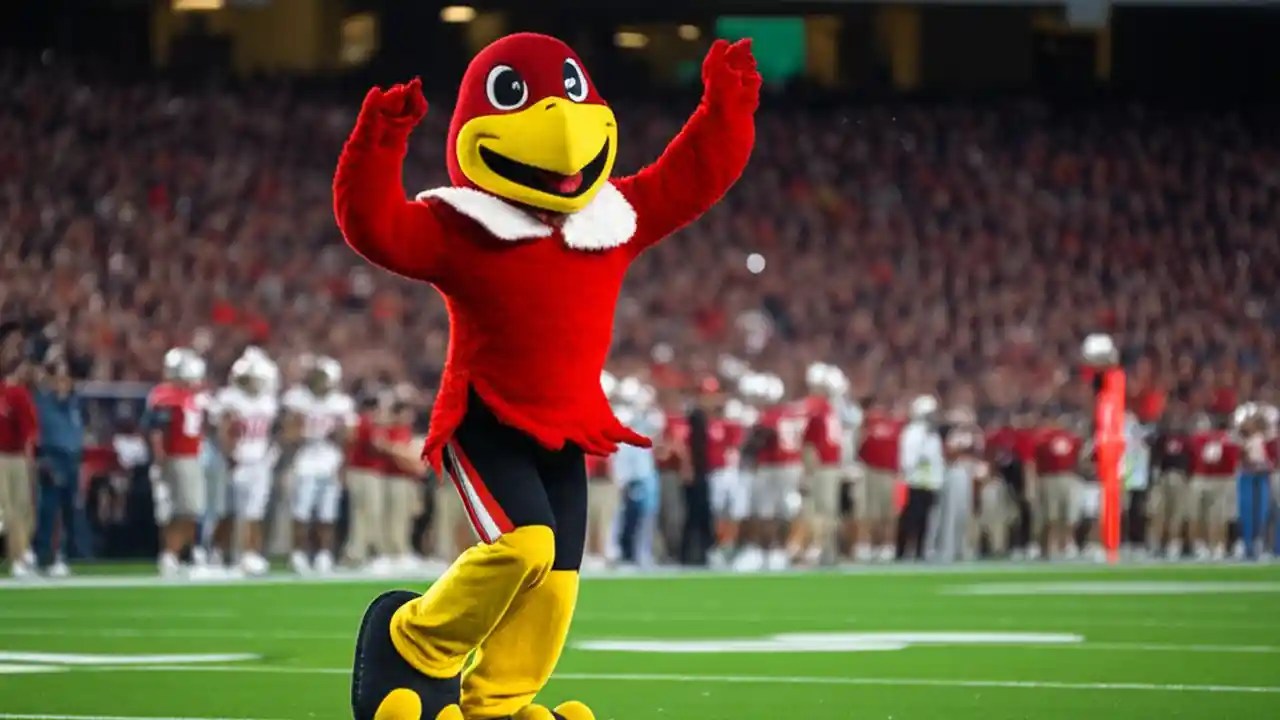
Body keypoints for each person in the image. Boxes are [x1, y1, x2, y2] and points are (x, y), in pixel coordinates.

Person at [335, 33, 758, 720]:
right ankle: (414, 641)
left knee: (559, 581)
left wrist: (728, 106)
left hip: (567, 425)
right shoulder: (462, 225)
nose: (560, 128)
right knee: (523, 546)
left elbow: (694, 175)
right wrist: (380, 139)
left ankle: (499, 703)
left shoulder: (610, 220)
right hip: (487, 415)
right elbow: (374, 227)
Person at [282, 355, 356, 575]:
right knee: (302, 513)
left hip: (330, 462)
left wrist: (338, 434)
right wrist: (305, 431)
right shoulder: (298, 399)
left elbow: (349, 437)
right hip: (305, 461)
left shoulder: (341, 403)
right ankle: (299, 554)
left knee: (327, 514)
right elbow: (289, 434)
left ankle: (324, 554)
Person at [144, 348, 211, 577]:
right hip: (176, 458)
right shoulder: (166, 396)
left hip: (192, 457)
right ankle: (170, 555)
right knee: (180, 510)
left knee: (191, 510)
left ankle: (184, 554)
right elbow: (156, 432)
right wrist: (160, 458)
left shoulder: (194, 396)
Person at [213, 354, 280, 576]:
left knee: (254, 512)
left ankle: (250, 554)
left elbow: (273, 431)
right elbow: (223, 429)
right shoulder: (230, 399)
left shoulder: (268, 401)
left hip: (259, 462)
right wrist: (229, 454)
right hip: (236, 461)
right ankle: (217, 552)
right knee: (228, 511)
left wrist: (272, 452)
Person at [32, 359, 86, 576]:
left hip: (72, 460)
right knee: (49, 510)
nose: (64, 382)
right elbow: (38, 435)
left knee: (69, 510)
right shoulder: (42, 404)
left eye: (66, 377)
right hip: (53, 458)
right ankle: (44, 556)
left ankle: (63, 555)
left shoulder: (75, 404)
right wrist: (44, 460)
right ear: (52, 380)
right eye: (59, 377)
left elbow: (79, 432)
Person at [375, 399, 427, 572]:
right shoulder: (392, 431)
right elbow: (396, 454)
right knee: (393, 516)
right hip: (394, 479)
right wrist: (402, 453)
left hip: (408, 479)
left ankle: (402, 549)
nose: (409, 417)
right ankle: (391, 552)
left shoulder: (407, 432)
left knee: (405, 517)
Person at [0, 358, 38, 577]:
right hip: (11, 457)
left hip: (14, 456)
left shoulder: (18, 395)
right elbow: (28, 435)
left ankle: (21, 554)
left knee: (17, 510)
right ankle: (19, 556)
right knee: (13, 510)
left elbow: (28, 433)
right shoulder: (17, 394)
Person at [1186, 413, 1240, 560]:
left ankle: (1217, 546)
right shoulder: (1199, 438)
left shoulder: (1229, 440)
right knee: (1198, 514)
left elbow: (1230, 461)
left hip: (1220, 479)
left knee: (1218, 516)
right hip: (1202, 478)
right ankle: (1200, 545)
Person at [855, 401, 904, 562]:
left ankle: (888, 546)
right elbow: (859, 447)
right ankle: (866, 545)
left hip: (890, 473)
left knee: (889, 512)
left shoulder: (898, 423)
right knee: (868, 512)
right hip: (870, 470)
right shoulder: (870, 421)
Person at [896, 395, 943, 561]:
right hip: (914, 482)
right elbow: (908, 459)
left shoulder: (933, 435)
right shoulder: (913, 433)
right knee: (910, 518)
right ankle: (901, 551)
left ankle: (921, 550)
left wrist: (938, 482)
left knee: (925, 519)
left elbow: (937, 461)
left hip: (929, 483)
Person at [1034, 415, 1086, 559]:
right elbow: (1036, 461)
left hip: (1069, 476)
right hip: (1050, 477)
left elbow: (1079, 458)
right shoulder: (1043, 439)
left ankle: (1067, 544)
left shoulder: (1073, 439)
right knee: (1051, 516)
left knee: (1069, 515)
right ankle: (1051, 546)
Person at [1235, 404, 1273, 560]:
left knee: (1262, 510)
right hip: (1247, 476)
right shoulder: (1241, 440)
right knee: (1246, 511)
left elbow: (1272, 459)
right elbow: (1238, 459)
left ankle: (1260, 542)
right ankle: (1246, 543)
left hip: (1263, 476)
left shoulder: (1268, 439)